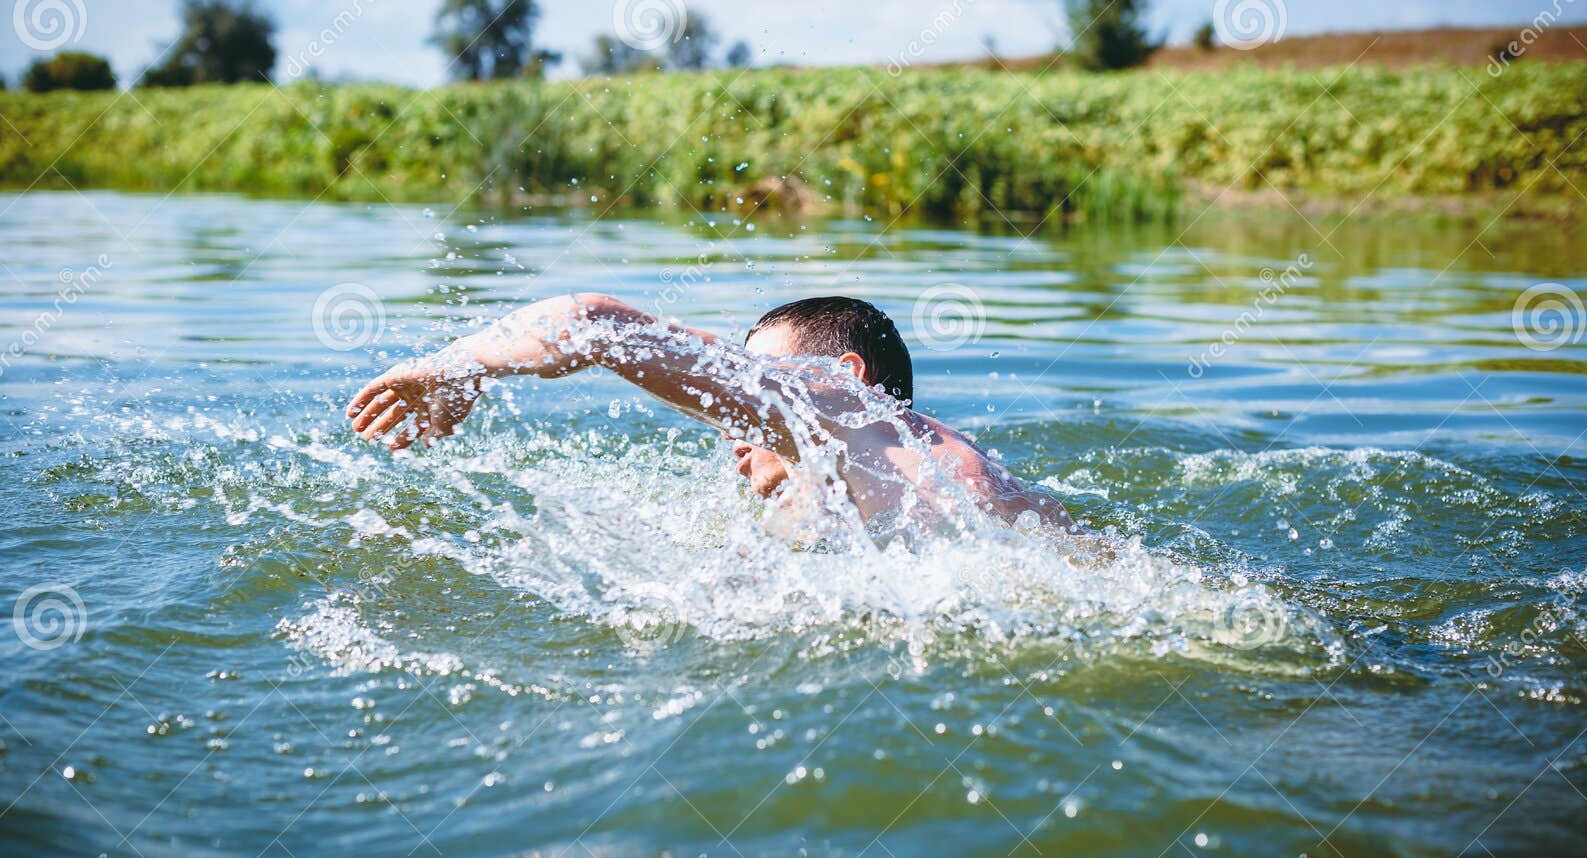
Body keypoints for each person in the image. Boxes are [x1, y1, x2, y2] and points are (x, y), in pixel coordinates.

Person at [345, 293, 1078, 533]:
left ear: (845, 378)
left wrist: (453, 365)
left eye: (763, 377)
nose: (738, 424)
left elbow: (596, 322)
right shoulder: (893, 478)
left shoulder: (849, 414)